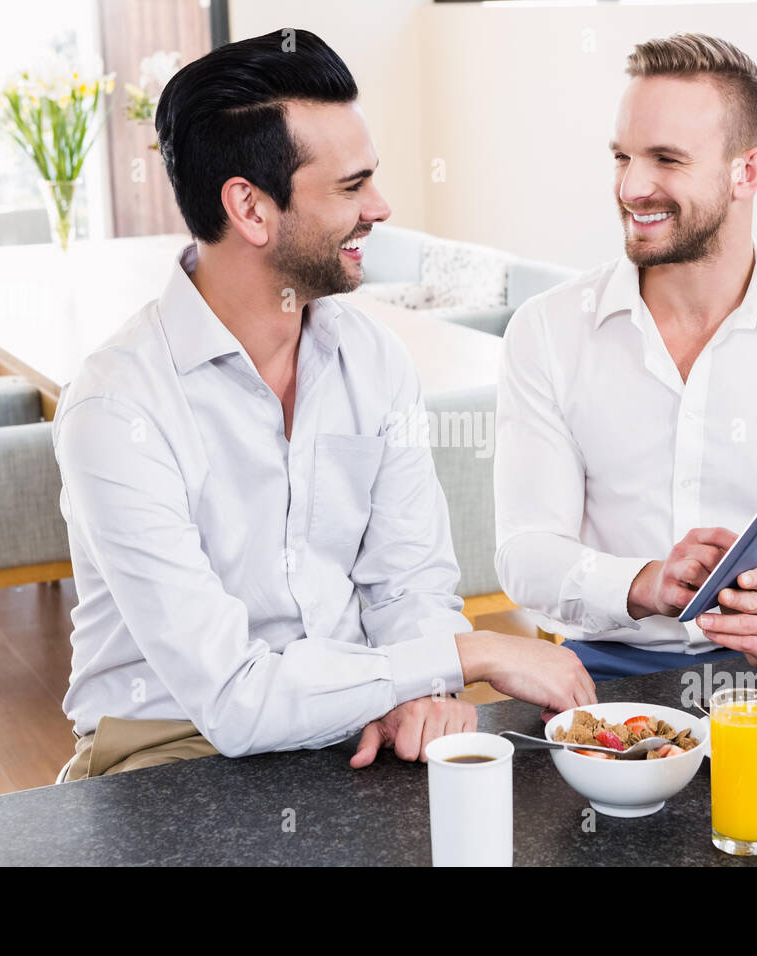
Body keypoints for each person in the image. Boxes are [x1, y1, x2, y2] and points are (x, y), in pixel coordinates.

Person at [53, 29, 594, 779]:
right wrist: (469, 654)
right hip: (171, 749)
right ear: (249, 208)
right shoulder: (116, 409)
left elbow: (410, 583)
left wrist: (426, 688)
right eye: (350, 186)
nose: (380, 206)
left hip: (357, 717)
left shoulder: (373, 362)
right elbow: (236, 701)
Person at [494, 33, 757, 682]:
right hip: (600, 667)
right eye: (623, 157)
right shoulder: (546, 331)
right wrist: (643, 582)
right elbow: (525, 553)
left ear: (747, 173)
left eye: (666, 159)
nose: (633, 186)